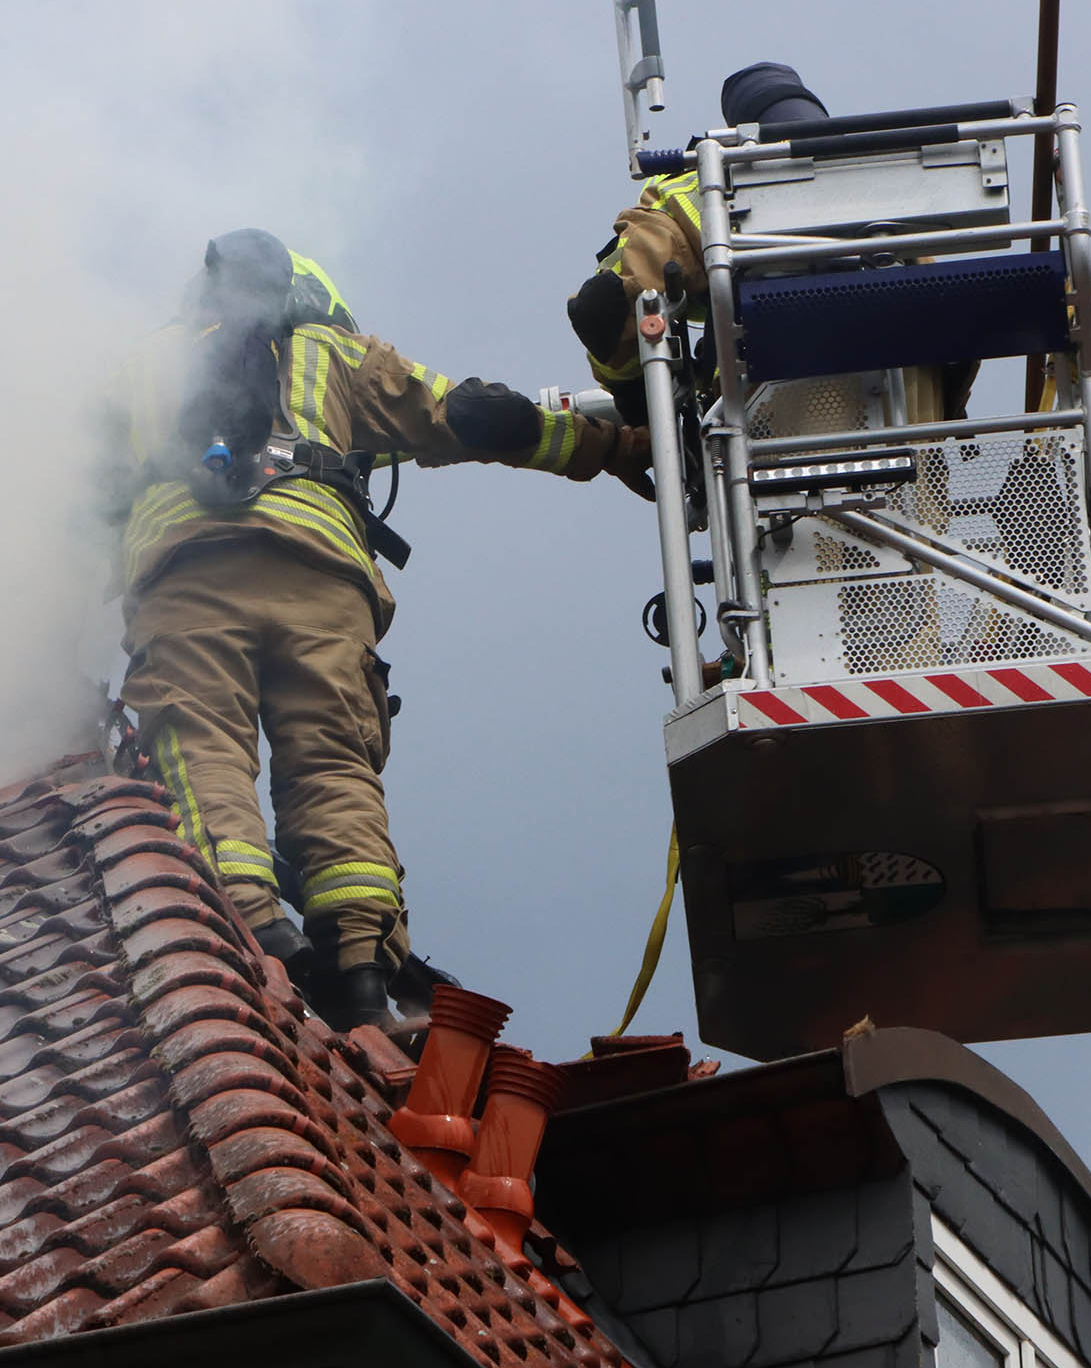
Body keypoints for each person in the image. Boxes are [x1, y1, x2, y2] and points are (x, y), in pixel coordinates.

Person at [109, 229, 649, 1029]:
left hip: (188, 578)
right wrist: (610, 444)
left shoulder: (138, 369)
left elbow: (74, 503)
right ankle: (361, 972)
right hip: (322, 585)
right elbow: (477, 415)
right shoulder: (334, 354)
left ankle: (249, 935)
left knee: (202, 745)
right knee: (333, 761)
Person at [564, 62, 829, 421]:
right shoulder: (882, 172)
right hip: (885, 391)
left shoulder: (700, 188)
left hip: (758, 412)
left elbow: (607, 305)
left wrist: (638, 401)